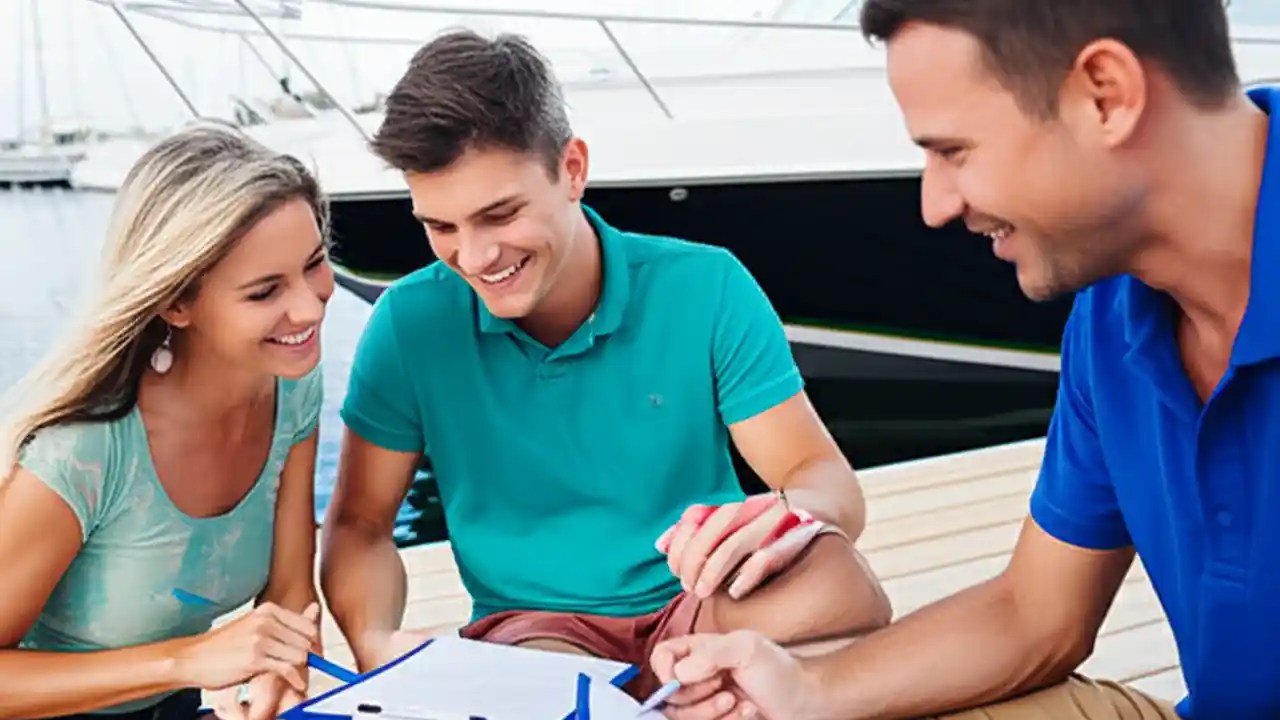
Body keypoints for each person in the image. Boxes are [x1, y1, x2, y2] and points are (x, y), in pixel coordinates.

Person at [647, 1, 1280, 718]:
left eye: (954, 152)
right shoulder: (1112, 319)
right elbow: (1036, 615)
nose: (935, 205)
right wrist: (804, 691)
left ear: (1106, 94)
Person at [319, 29, 892, 699]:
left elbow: (822, 479)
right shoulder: (409, 324)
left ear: (572, 170)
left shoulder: (705, 285)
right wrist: (373, 645)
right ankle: (698, 697)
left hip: (704, 597)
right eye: (440, 226)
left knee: (838, 579)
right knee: (543, 688)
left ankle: (695, 688)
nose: (473, 258)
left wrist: (779, 517)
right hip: (537, 628)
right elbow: (360, 524)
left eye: (499, 214)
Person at [0, 125, 332, 720]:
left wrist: (280, 676)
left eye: (314, 265)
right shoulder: (83, 450)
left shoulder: (293, 385)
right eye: (264, 292)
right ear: (176, 303)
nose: (308, 306)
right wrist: (185, 661)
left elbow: (289, 594)